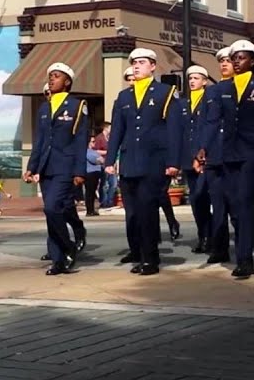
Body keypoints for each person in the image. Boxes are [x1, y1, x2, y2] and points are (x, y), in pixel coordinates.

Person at [199, 40, 254, 279]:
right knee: (234, 202)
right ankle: (247, 242)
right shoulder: (223, 88)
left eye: (241, 57)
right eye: (234, 57)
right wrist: (203, 147)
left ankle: (245, 259)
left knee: (244, 202)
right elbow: (213, 121)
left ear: (252, 61)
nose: (236, 61)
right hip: (229, 152)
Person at [105, 48, 183, 276]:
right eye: (134, 62)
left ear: (152, 66)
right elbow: (117, 130)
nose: (137, 66)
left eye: (142, 62)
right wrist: (110, 160)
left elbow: (174, 131)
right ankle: (138, 252)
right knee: (134, 214)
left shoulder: (165, 92)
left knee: (148, 210)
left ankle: (151, 259)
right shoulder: (124, 97)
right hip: (129, 162)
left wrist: (173, 162)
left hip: (154, 162)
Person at [24, 63, 88, 275]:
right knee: (51, 214)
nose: (52, 79)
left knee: (52, 209)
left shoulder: (78, 106)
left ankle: (69, 246)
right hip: (46, 167)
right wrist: (31, 167)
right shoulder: (44, 108)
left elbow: (80, 141)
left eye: (57, 76)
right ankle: (58, 261)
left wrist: (79, 171)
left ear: (67, 81)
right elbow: (40, 141)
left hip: (66, 167)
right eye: (50, 75)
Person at [182, 65, 214, 254]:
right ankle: (204, 235)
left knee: (207, 197)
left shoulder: (210, 100)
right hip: (188, 159)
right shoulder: (182, 103)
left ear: (205, 81)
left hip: (206, 158)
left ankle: (213, 235)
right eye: (190, 78)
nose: (192, 81)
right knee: (196, 200)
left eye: (197, 78)